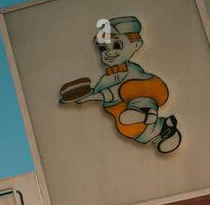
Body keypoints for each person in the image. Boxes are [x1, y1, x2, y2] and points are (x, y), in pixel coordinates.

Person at [60, 15, 180, 152]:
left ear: (135, 45)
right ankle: (160, 130)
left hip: (147, 92)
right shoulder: (105, 79)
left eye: (117, 45)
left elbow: (115, 92)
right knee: (124, 124)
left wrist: (95, 96)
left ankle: (146, 112)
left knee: (130, 90)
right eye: (103, 48)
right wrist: (85, 97)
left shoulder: (133, 70)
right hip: (129, 115)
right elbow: (97, 92)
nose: (108, 52)